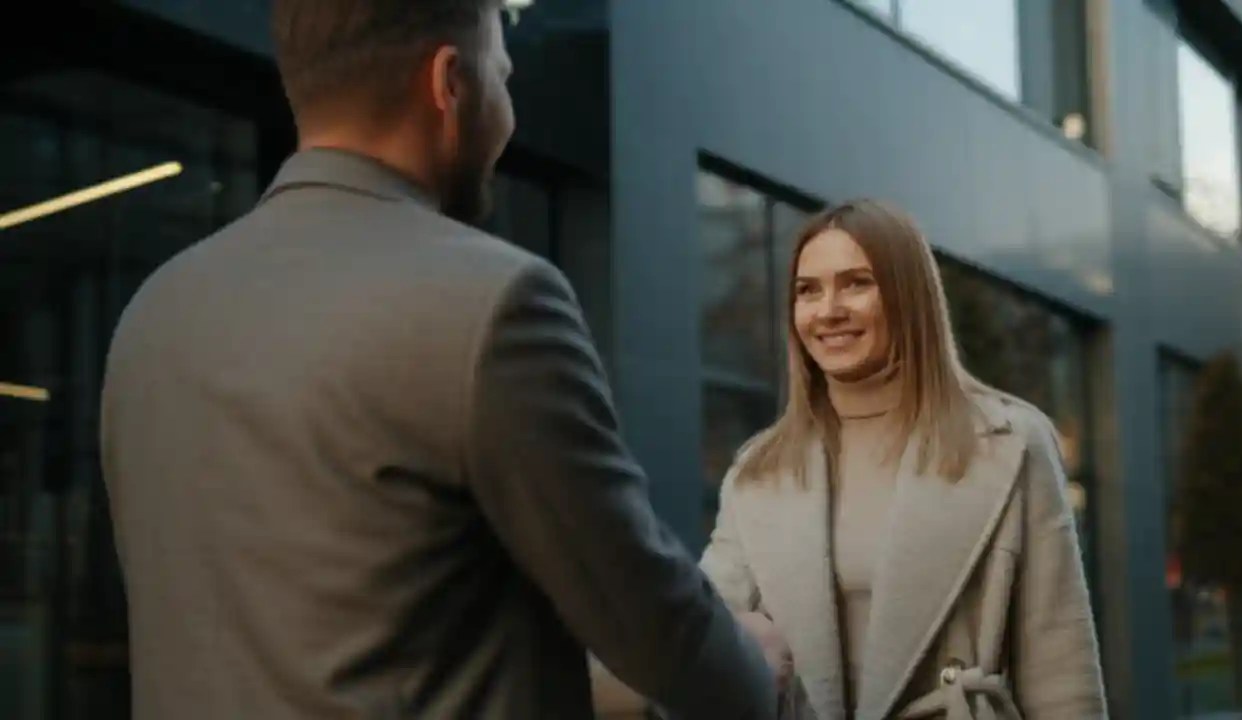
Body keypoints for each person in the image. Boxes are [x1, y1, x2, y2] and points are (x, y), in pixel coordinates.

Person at [98, 1, 780, 718]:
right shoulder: (495, 303)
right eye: (502, 77)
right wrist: (755, 667)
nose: (507, 114)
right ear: (449, 83)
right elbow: (653, 624)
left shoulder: (152, 314)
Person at [699, 200, 1108, 719]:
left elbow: (1062, 673)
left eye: (856, 283)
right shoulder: (759, 470)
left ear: (908, 295)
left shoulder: (1011, 442)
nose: (828, 310)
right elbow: (697, 636)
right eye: (808, 290)